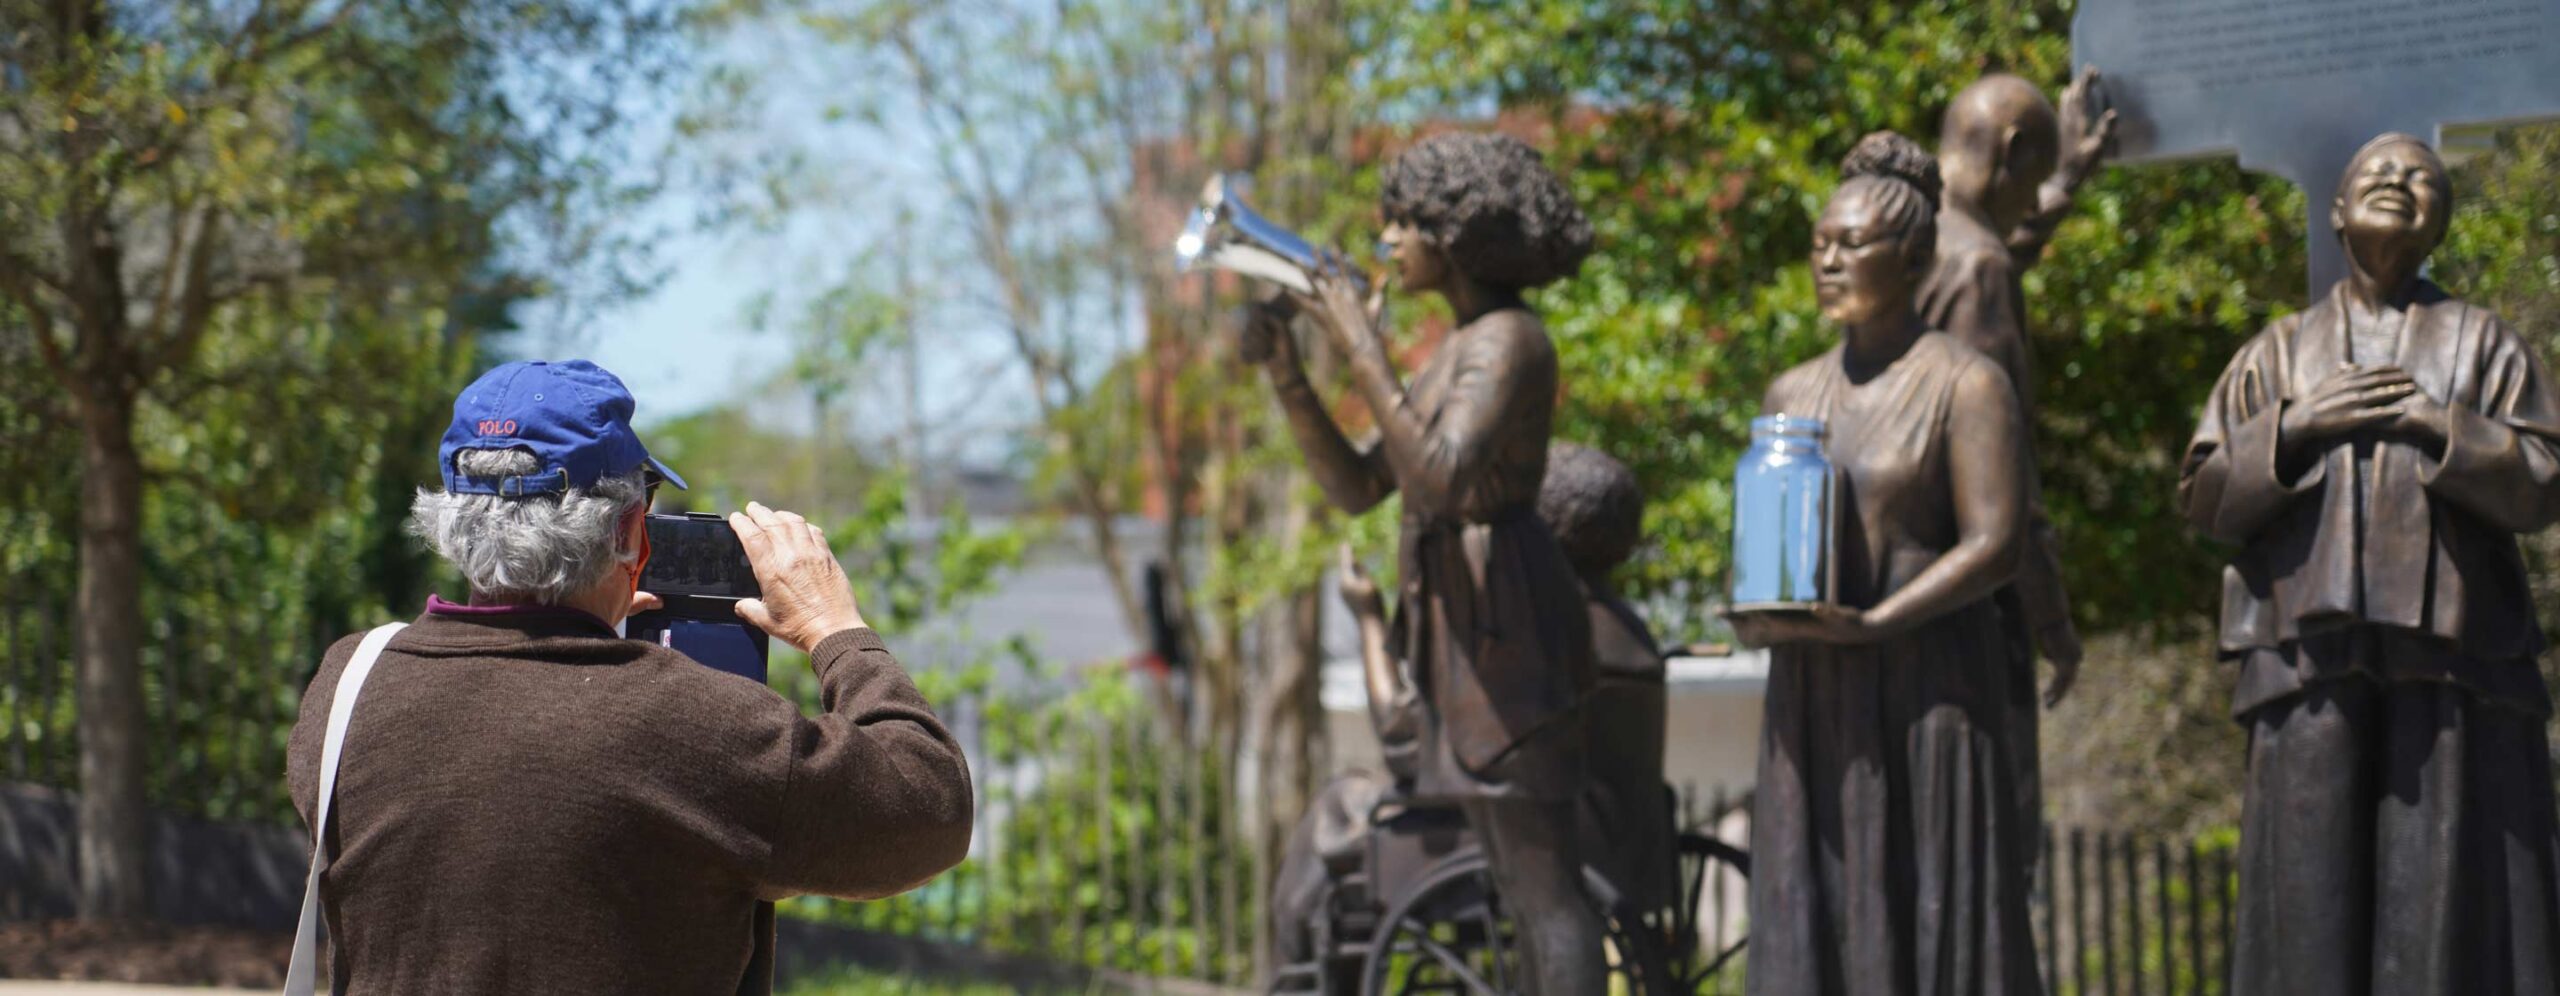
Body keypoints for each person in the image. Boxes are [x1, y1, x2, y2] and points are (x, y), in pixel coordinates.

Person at [286, 359, 973, 995]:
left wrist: (575, 632)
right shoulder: (699, 728)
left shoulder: (348, 688)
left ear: (451, 522)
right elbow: (929, 808)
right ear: (630, 535)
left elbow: (495, 796)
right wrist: (835, 629)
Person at [2177, 133, 2560, 995]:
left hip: (2453, 663)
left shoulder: (2484, 344)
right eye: (2373, 174)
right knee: (2309, 894)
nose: (2395, 178)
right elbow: (2203, 497)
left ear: (2440, 223)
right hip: (2305, 662)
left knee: (2445, 891)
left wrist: (2442, 426)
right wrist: (2295, 426)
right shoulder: (2277, 354)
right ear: (2338, 213)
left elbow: (2544, 484)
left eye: (2418, 176)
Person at [1243, 130, 1602, 993]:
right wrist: (1293, 377)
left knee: (1545, 887)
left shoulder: (1511, 340)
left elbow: (1437, 481)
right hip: (1466, 634)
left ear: (1454, 234)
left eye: (1403, 223)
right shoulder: (1460, 348)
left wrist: (1361, 343)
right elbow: (1368, 484)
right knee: (1515, 883)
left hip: (1508, 629)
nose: (1388, 242)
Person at [1730, 132, 2040, 995]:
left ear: (1910, 258)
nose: (1828, 262)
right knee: (1815, 900)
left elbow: (1996, 544)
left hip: (1927, 683)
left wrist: (1876, 624)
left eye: (1851, 245)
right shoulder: (1792, 394)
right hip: (1814, 687)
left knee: (1926, 900)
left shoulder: (1965, 383)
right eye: (1820, 244)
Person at [1921, 67, 2114, 896]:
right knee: (1991, 861)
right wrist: (2053, 621)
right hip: (1967, 607)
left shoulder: (1898, 240)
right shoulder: (1979, 271)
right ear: (2009, 152)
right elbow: (2007, 473)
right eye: (2030, 178)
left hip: (1892, 590)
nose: (2028, 198)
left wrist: (2066, 181)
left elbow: (1993, 251)